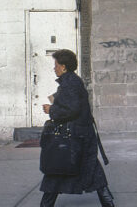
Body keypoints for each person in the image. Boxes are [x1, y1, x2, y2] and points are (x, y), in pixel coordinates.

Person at [40, 49, 114, 207]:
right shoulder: (72, 81)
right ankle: (108, 203)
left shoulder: (69, 83)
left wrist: (51, 110)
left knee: (57, 169)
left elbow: (72, 110)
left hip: (75, 137)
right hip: (79, 135)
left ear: (64, 67)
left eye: (56, 65)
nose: (54, 68)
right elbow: (72, 105)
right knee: (91, 169)